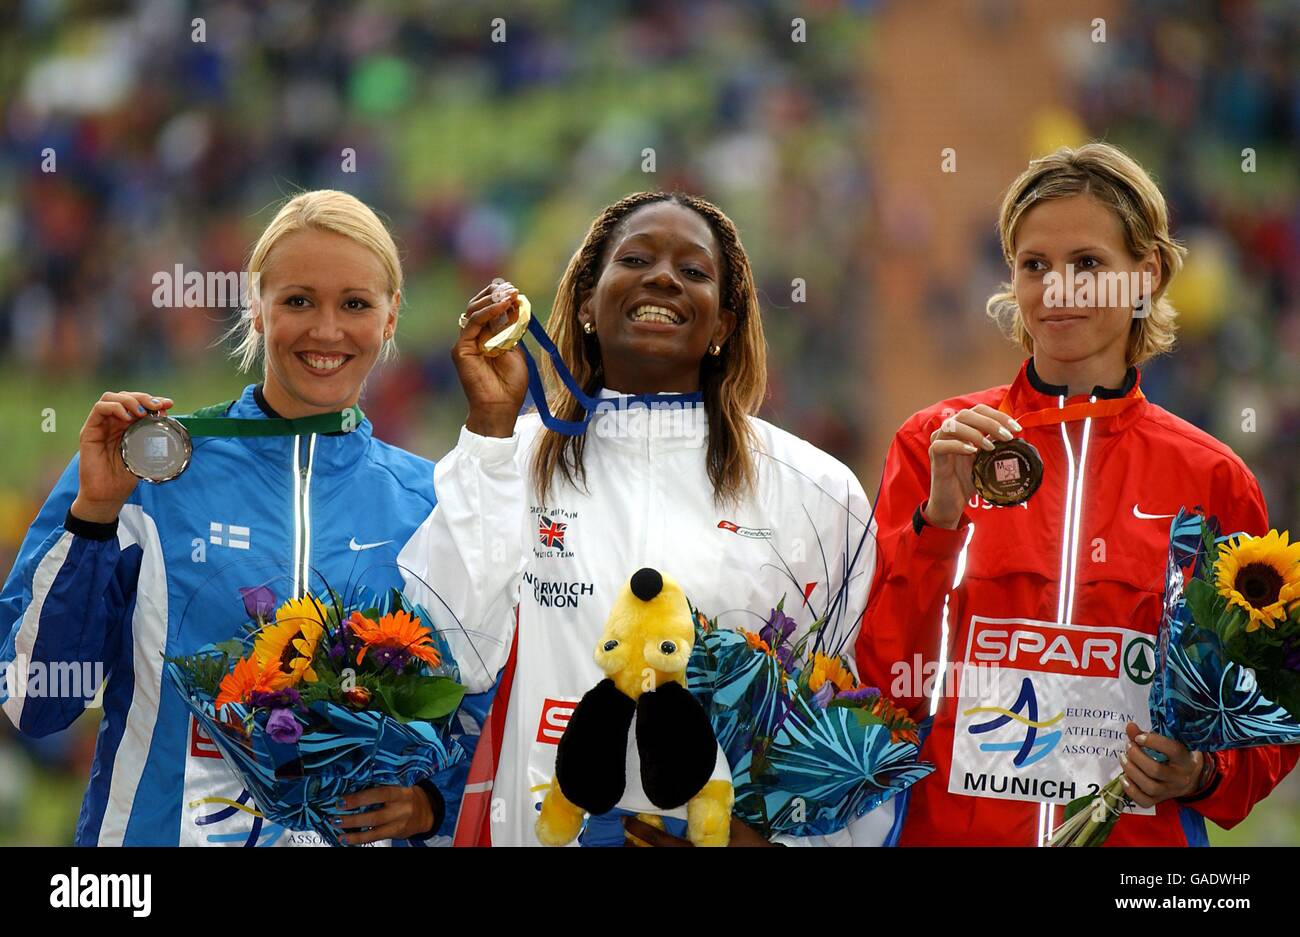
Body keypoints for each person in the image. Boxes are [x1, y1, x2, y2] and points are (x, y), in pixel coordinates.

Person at [0, 189, 530, 846]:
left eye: (356, 304)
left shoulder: (433, 503)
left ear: (392, 317)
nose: (327, 329)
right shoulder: (149, 470)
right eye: (298, 300)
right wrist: (94, 517)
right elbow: (33, 700)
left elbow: (480, 710)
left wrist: (431, 800)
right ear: (257, 308)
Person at [402, 191, 885, 847]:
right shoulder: (503, 461)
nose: (663, 276)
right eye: (636, 259)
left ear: (723, 324)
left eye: (693, 271)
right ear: (585, 306)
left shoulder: (819, 492)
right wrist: (486, 431)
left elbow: (848, 726)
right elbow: (447, 660)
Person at [855, 143, 1299, 846]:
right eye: (1034, 265)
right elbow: (879, 685)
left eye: (1087, 264)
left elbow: (1267, 708)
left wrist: (1201, 771)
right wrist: (938, 523)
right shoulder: (934, 446)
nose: (1057, 289)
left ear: (1145, 275)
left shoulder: (1213, 480)